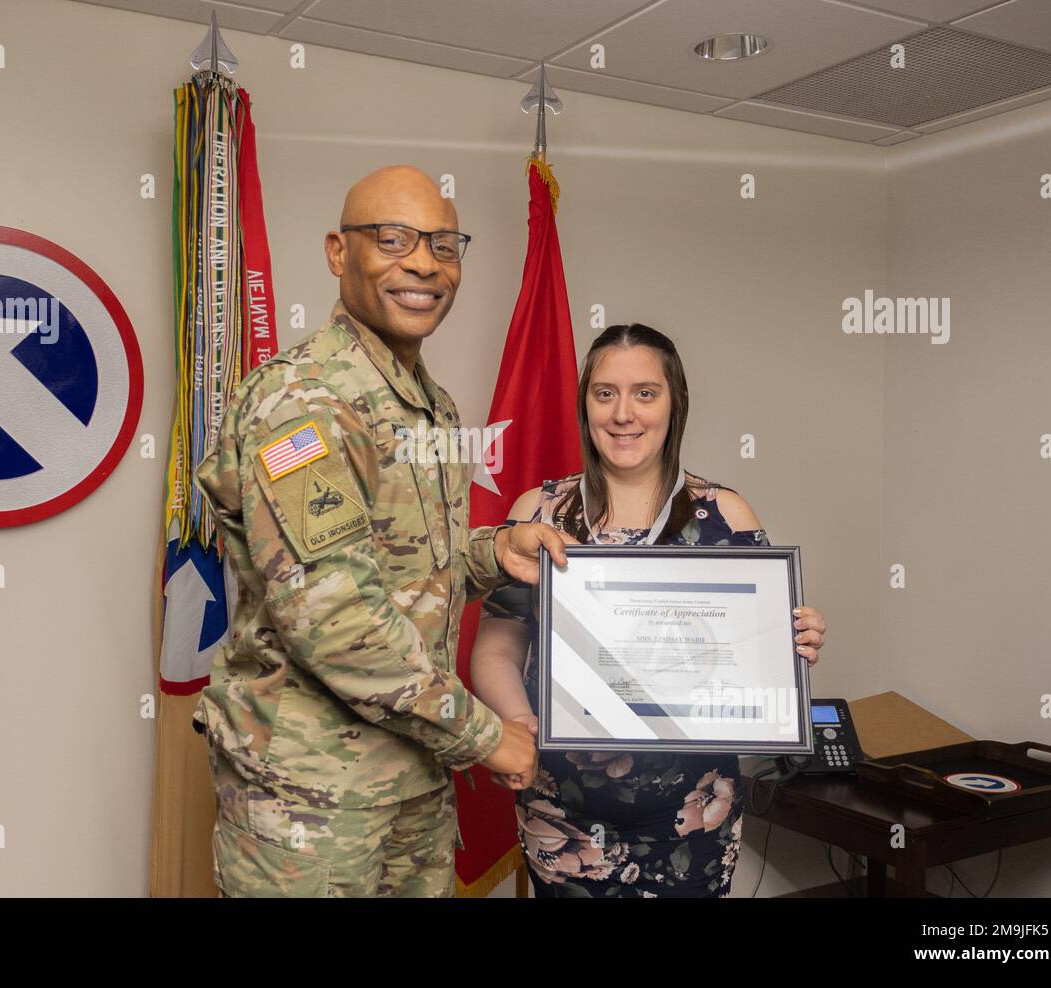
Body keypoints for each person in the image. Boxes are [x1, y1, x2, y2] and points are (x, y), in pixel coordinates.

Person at [192, 164, 569, 898]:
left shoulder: (430, 404)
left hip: (411, 782)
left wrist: (496, 551)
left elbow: (404, 565)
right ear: (339, 253)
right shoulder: (300, 404)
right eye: (393, 239)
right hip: (312, 802)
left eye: (444, 244)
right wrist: (487, 736)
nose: (425, 263)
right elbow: (336, 620)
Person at [470, 323, 828, 898]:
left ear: (674, 403)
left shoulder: (726, 515)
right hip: (560, 811)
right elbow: (495, 648)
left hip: (693, 812)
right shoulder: (538, 512)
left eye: (645, 393)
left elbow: (761, 650)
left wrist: (795, 643)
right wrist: (519, 724)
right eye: (604, 393)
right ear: (585, 403)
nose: (623, 414)